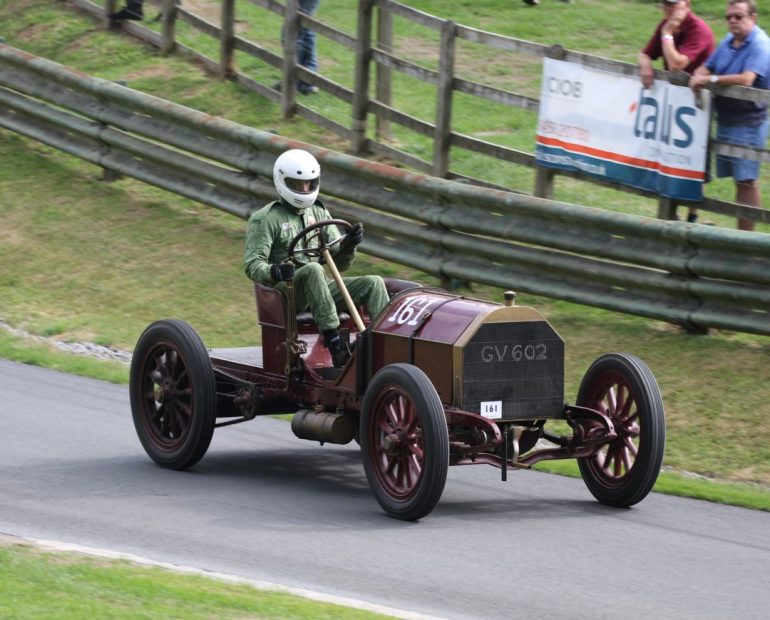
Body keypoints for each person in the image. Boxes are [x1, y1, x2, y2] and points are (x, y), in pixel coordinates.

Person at [244, 149, 389, 368]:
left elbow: (339, 265)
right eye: (297, 184)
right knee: (313, 269)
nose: (304, 189)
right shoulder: (265, 219)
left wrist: (349, 245)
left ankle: (385, 344)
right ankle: (334, 344)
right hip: (287, 294)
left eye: (309, 183)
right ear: (282, 181)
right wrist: (275, 270)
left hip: (319, 287)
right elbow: (253, 265)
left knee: (374, 283)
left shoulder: (319, 212)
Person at [689, 0, 770, 231]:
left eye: (739, 16)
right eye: (729, 17)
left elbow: (747, 79)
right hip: (726, 119)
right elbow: (710, 65)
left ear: (753, 18)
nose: (733, 21)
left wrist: (709, 80)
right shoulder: (729, 40)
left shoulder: (761, 45)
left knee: (746, 181)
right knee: (739, 180)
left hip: (749, 123)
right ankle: (742, 236)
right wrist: (700, 74)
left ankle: (746, 240)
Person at [638, 0, 715, 223]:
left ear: (687, 4)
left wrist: (668, 33)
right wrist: (645, 64)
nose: (669, 9)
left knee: (693, 161)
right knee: (668, 155)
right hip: (673, 103)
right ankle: (669, 212)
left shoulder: (697, 29)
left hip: (697, 106)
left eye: (674, 4)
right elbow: (645, 53)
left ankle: (692, 217)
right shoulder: (665, 25)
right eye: (665, 4)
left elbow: (677, 64)